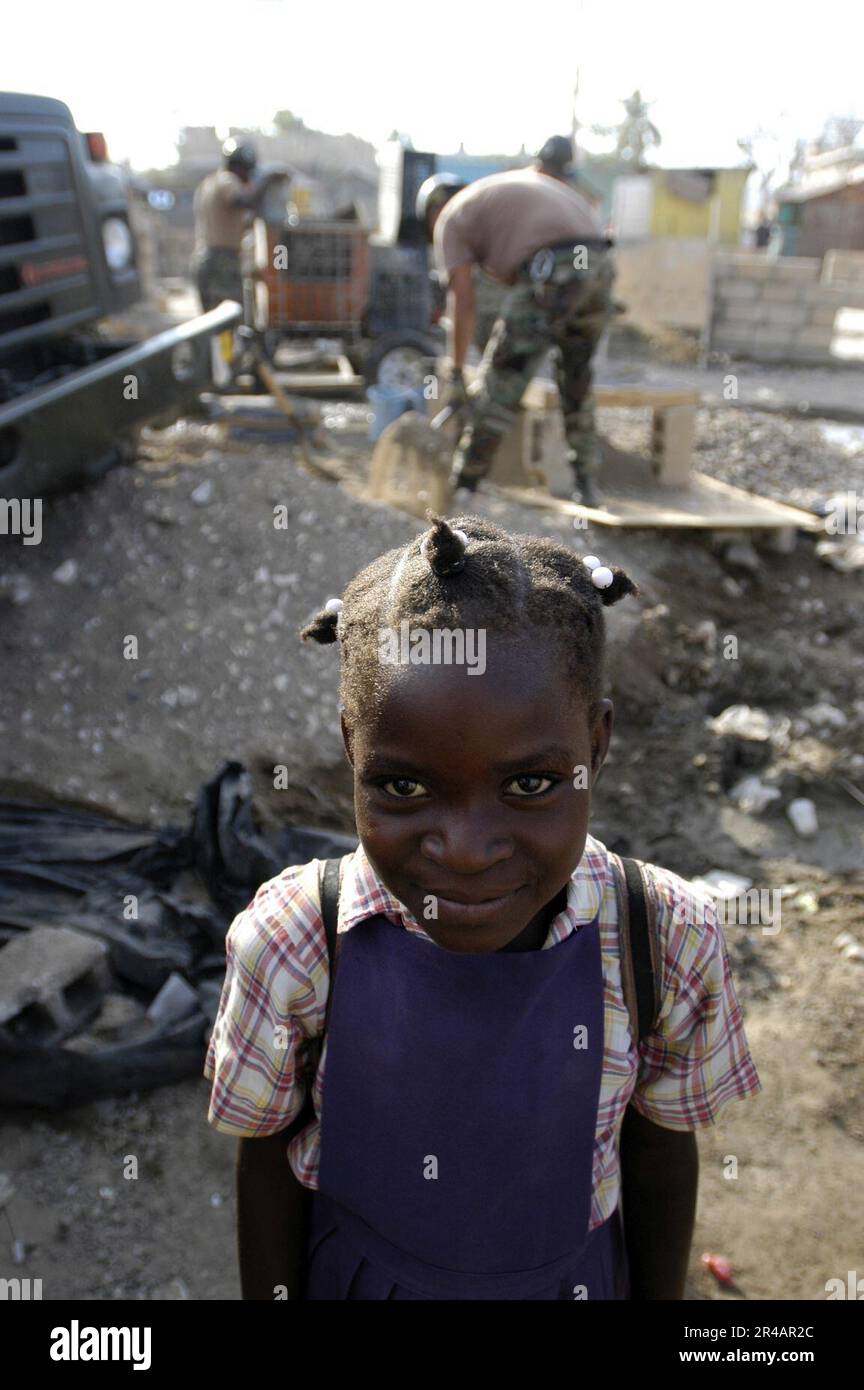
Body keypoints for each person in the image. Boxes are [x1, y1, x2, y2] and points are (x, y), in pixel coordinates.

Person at [204, 513, 762, 1301]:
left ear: (595, 748)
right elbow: (267, 1159)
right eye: (403, 785)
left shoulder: (660, 938)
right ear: (350, 750)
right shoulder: (297, 940)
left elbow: (663, 1152)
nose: (465, 850)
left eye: (529, 785)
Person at [416, 139, 617, 508]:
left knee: (500, 384)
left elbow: (462, 302)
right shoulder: (503, 195)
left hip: (556, 268)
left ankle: (464, 487)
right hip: (600, 265)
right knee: (577, 378)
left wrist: (457, 372)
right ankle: (587, 486)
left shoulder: (450, 220)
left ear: (432, 212)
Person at [192, 139, 290, 313]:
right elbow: (245, 200)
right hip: (222, 260)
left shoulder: (208, 183)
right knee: (231, 316)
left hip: (204, 259)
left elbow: (231, 221)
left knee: (211, 321)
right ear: (241, 167)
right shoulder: (227, 181)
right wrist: (268, 179)